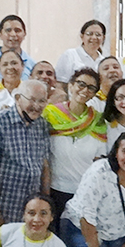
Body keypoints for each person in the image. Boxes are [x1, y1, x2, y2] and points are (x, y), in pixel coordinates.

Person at [0, 80, 52, 226]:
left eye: (42, 101)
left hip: (32, 209)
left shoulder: (42, 125)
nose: (37, 106)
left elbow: (44, 165)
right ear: (18, 98)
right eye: (32, 100)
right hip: (4, 205)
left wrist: (46, 203)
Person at [42, 67, 106, 219]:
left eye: (91, 88)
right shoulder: (50, 114)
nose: (85, 90)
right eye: (81, 84)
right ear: (70, 85)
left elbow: (99, 163)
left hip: (85, 192)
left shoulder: (98, 121)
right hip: (54, 190)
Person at [56, 19, 106, 84]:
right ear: (82, 36)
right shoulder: (70, 55)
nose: (94, 37)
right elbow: (60, 83)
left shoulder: (103, 61)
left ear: (103, 38)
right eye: (89, 34)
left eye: (98, 34)